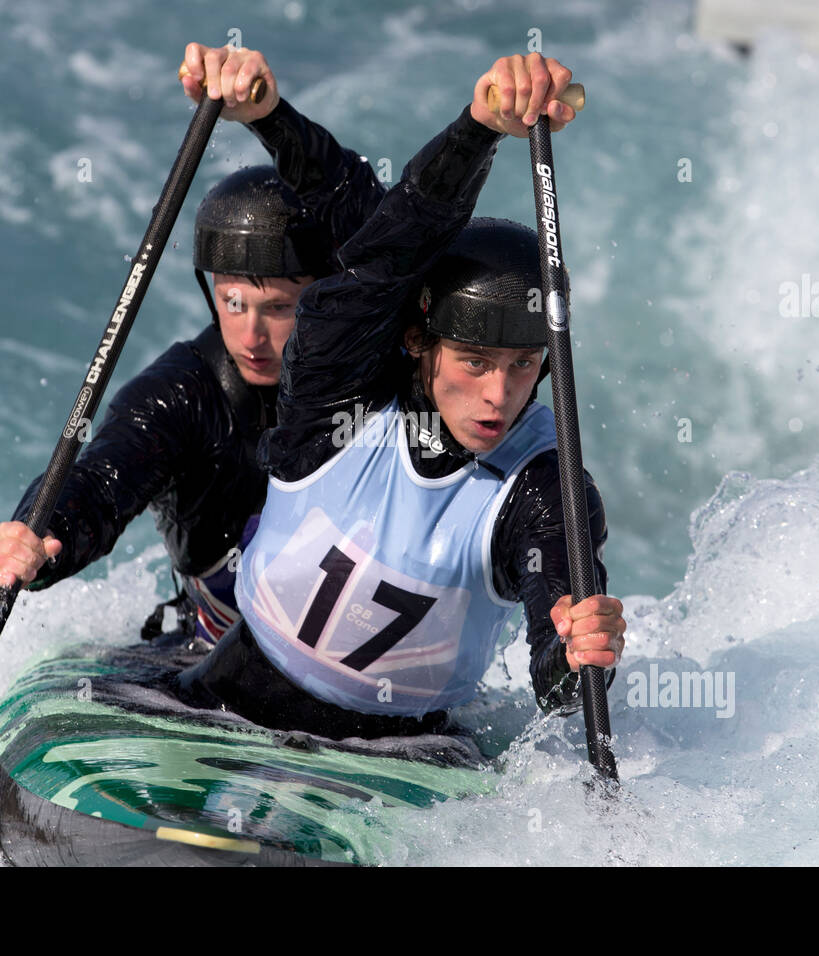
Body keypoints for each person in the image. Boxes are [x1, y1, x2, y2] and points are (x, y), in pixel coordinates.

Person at [174, 53, 627, 739]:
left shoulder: (542, 488)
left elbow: (556, 664)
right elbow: (382, 248)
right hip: (226, 700)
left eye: (523, 365)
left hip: (403, 758)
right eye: (474, 362)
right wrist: (478, 129)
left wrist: (573, 655)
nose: (498, 397)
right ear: (419, 340)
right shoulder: (340, 392)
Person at [0, 43, 384, 645]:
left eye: (279, 308)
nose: (251, 334)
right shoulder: (180, 396)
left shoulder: (373, 364)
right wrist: (40, 532)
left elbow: (377, 222)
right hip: (204, 650)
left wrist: (270, 116)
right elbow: (98, 482)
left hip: (361, 660)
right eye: (233, 302)